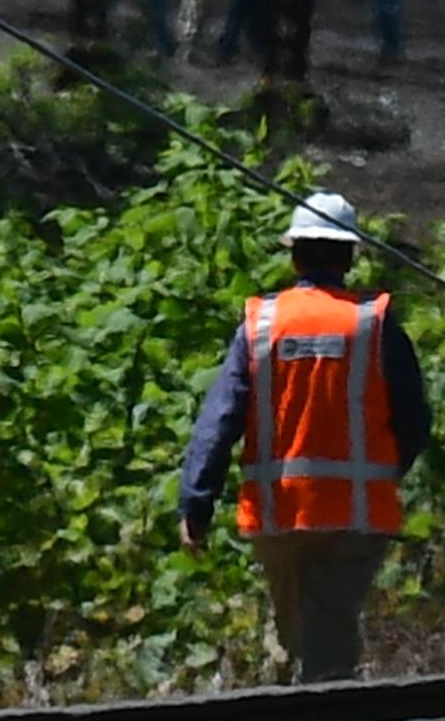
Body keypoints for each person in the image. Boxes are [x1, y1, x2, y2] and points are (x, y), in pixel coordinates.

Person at [178, 192, 431, 683]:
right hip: (356, 516)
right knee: (330, 635)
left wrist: (196, 504)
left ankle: (294, 703)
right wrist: (383, 471)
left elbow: (220, 419)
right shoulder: (374, 324)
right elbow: (415, 419)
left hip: (278, 514)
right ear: (349, 256)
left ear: (294, 255)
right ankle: (324, 711)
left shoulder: (262, 324)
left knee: (294, 634)